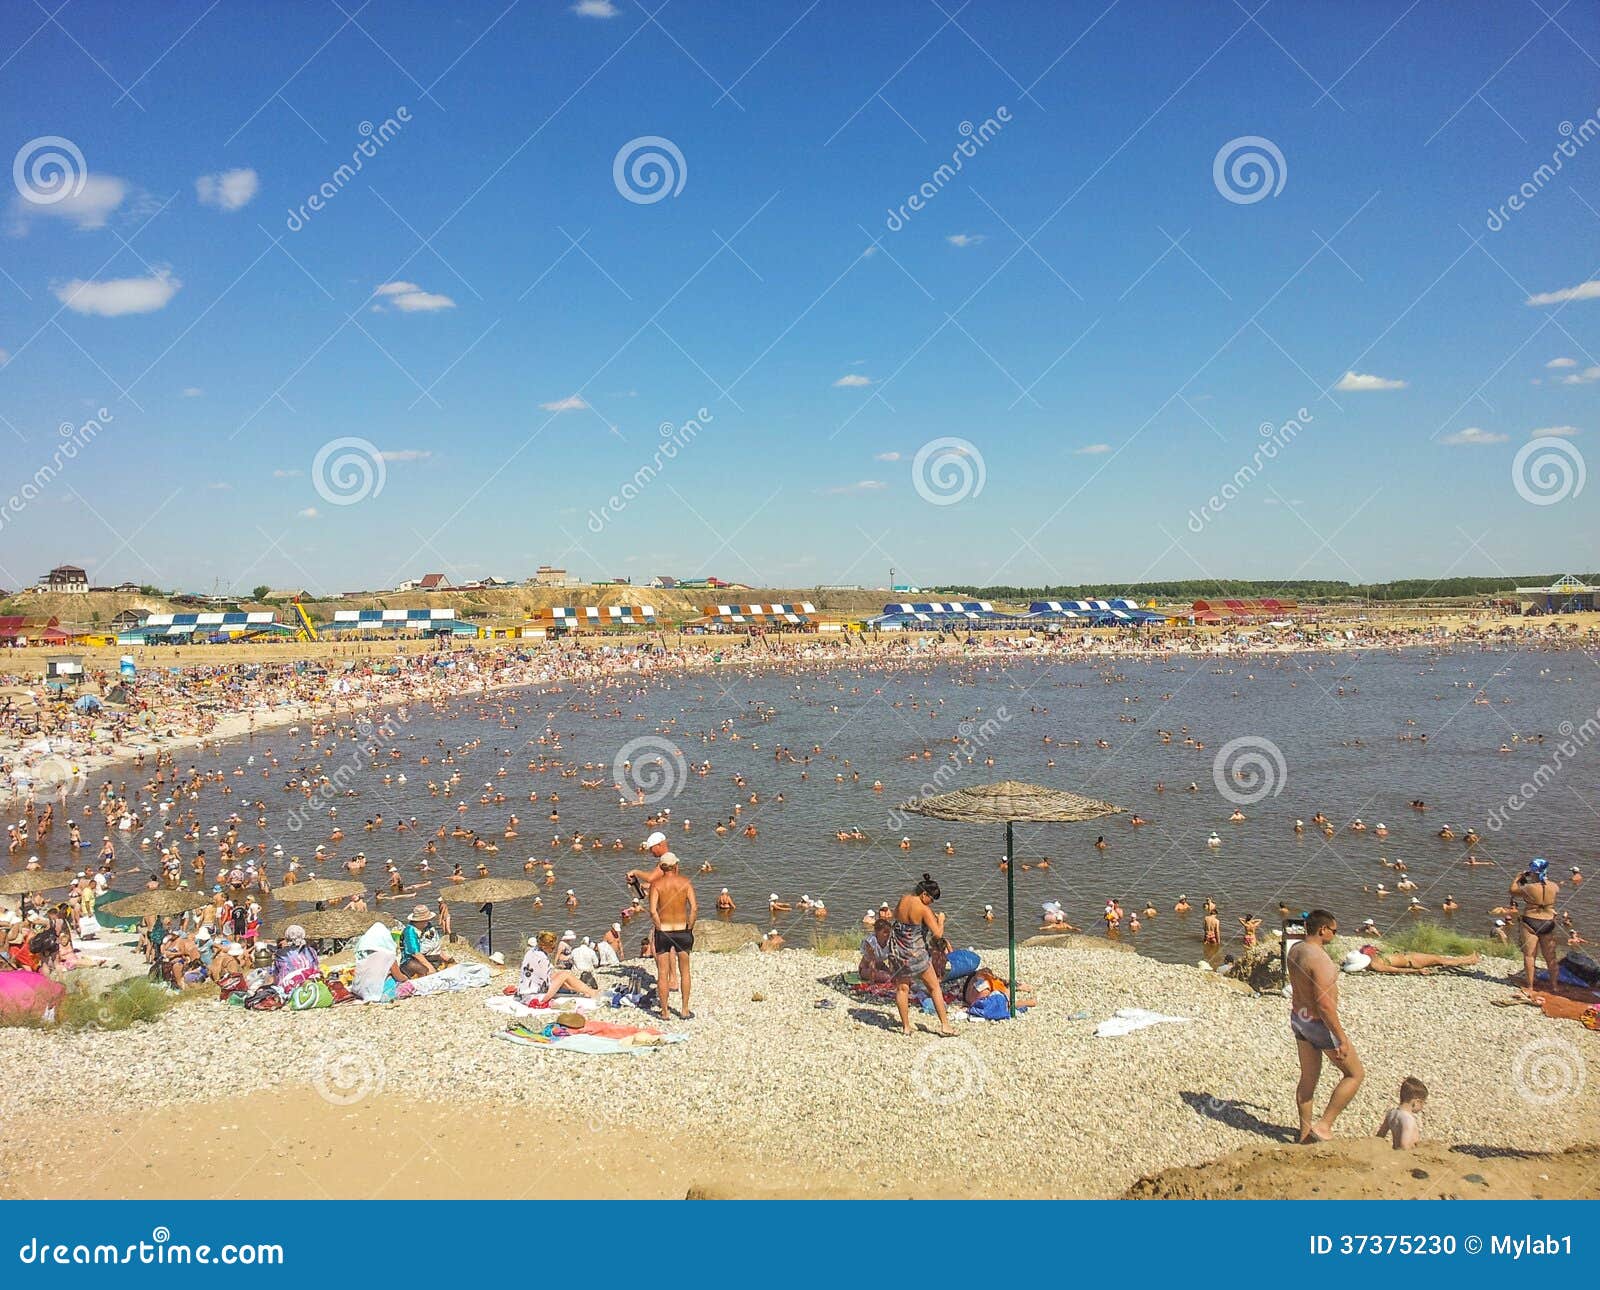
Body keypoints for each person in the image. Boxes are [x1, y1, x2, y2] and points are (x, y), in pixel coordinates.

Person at [1287, 909, 1363, 1143]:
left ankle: (1303, 1136)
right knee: (1354, 1074)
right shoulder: (1320, 959)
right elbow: (1324, 1005)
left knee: (1308, 1079)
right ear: (1323, 930)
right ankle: (1324, 1126)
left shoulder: (1295, 950)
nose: (1336, 935)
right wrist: (1341, 1037)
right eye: (1335, 931)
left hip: (1299, 1020)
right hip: (1318, 1024)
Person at [889, 873, 952, 1037]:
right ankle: (945, 1026)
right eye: (931, 899)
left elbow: (895, 916)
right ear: (924, 894)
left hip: (899, 951)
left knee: (902, 989)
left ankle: (906, 1027)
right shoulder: (924, 909)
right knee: (934, 987)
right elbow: (938, 934)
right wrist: (941, 920)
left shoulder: (903, 899)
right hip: (917, 954)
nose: (932, 902)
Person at [648, 852, 698, 1020]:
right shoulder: (685, 882)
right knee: (685, 971)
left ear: (661, 867)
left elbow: (653, 911)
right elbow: (694, 909)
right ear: (676, 866)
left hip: (664, 930)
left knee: (663, 973)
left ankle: (664, 1012)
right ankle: (684, 1010)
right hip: (682, 929)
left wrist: (658, 927)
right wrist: (689, 927)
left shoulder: (656, 884)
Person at [1510, 858, 1561, 995]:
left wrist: (1518, 877)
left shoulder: (1529, 888)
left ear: (1533, 872)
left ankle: (1530, 986)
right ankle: (1555, 986)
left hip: (1530, 921)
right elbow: (1549, 888)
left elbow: (1512, 891)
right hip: (1548, 922)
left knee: (1529, 956)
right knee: (1551, 957)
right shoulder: (1555, 886)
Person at [517, 931, 600, 1003]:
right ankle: (590, 992)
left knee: (562, 975)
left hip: (524, 993)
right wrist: (574, 988)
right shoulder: (541, 958)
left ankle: (588, 991)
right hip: (534, 997)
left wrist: (574, 988)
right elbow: (550, 982)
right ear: (544, 946)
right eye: (552, 947)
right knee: (564, 975)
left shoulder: (531, 952)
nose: (554, 950)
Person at [1342, 946, 1480, 974]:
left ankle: (1468, 959)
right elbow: (1395, 970)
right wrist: (1417, 971)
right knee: (1441, 960)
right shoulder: (1376, 965)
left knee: (1439, 959)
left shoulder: (1373, 960)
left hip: (1410, 957)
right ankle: (1470, 960)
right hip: (1412, 961)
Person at [1375, 1077, 1427, 1150]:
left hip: (1395, 1151)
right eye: (1423, 1103)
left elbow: (1380, 1136)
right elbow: (1404, 1144)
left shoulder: (1392, 1113)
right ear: (1416, 1102)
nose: (1423, 1107)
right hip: (1406, 1157)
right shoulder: (1408, 1119)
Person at [399, 905, 438, 977]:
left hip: (426, 955)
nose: (428, 921)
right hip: (409, 960)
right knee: (423, 970)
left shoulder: (428, 927)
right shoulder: (410, 931)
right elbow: (415, 953)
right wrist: (430, 967)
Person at [858, 917, 895, 984]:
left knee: (897, 976)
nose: (887, 935)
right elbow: (872, 962)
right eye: (885, 932)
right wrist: (872, 981)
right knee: (888, 977)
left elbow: (891, 960)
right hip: (866, 969)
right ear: (877, 932)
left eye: (889, 932)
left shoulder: (890, 942)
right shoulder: (871, 942)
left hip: (881, 966)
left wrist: (892, 971)